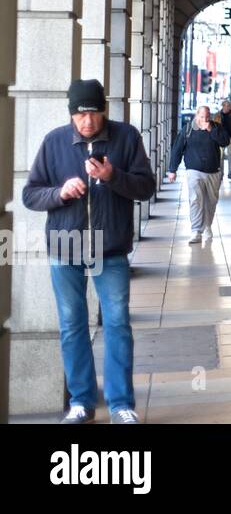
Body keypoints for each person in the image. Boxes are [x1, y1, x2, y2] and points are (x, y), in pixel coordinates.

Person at [22, 79, 155, 424]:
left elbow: (145, 186)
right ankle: (81, 401)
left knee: (117, 323)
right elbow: (30, 194)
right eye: (80, 116)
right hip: (65, 250)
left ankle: (121, 404)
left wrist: (113, 176)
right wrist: (60, 193)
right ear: (71, 115)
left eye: (93, 113)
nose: (87, 122)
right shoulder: (54, 142)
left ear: (104, 110)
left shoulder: (126, 137)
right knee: (72, 325)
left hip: (109, 248)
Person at [166, 104, 230, 244]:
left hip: (213, 171)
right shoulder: (188, 129)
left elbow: (225, 141)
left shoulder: (215, 127)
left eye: (207, 117)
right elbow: (177, 149)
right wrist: (172, 170)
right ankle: (196, 231)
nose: (205, 119)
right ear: (197, 115)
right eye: (202, 117)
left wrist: (211, 130)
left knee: (211, 202)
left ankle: (207, 226)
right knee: (195, 200)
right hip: (194, 170)